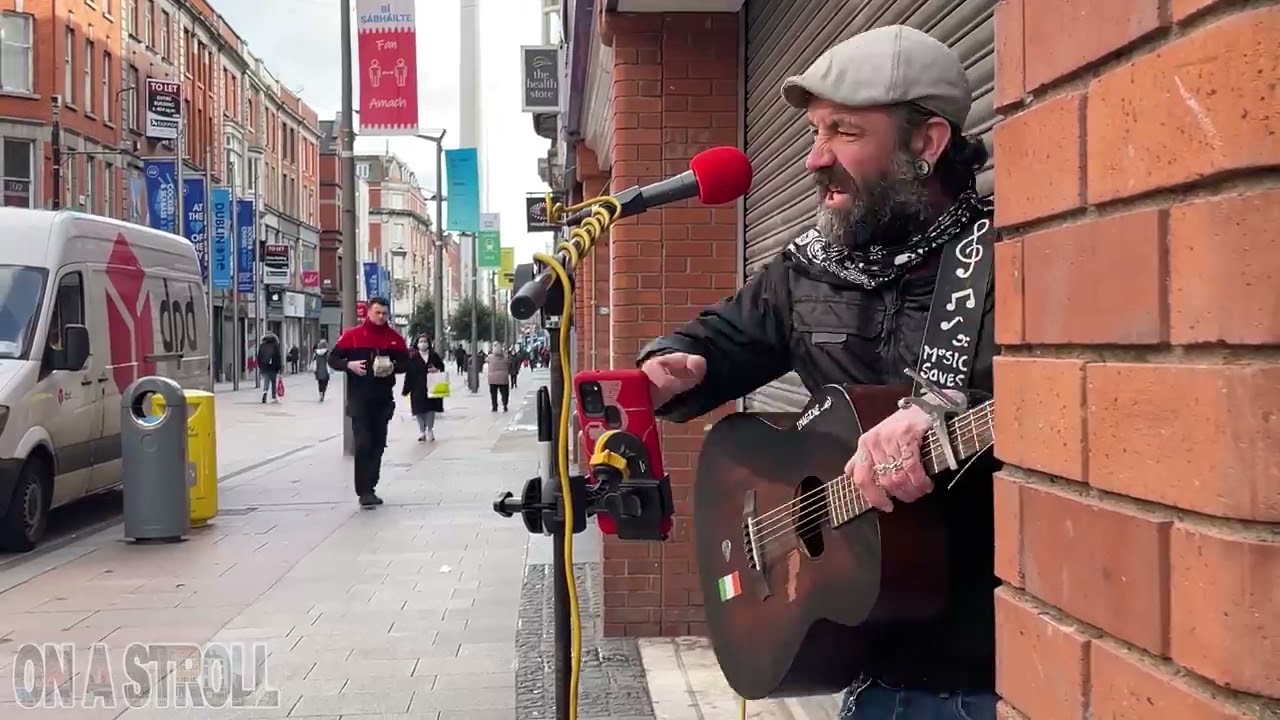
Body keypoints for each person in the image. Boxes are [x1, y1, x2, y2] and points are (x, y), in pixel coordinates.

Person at [637, 26, 997, 720]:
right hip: (870, 663)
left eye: (843, 132)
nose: (813, 159)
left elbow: (1085, 401)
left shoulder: (1013, 256)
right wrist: (678, 359)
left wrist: (960, 412)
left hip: (993, 666)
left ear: (926, 144)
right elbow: (724, 339)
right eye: (813, 131)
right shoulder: (806, 270)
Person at [328, 297, 410, 507]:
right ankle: (363, 490)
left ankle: (371, 486)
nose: (381, 317)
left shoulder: (394, 338)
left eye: (384, 313)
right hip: (359, 398)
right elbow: (333, 359)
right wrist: (349, 365)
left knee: (378, 444)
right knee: (363, 443)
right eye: (378, 313)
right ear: (368, 313)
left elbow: (405, 363)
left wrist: (392, 365)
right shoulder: (352, 336)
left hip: (382, 399)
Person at [402, 335, 446, 442]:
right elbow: (409, 374)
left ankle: (430, 430)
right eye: (421, 341)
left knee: (430, 409)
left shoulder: (434, 356)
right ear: (417, 344)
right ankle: (422, 431)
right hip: (417, 388)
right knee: (418, 410)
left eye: (425, 341)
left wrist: (436, 369)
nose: (423, 343)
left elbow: (442, 367)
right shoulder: (413, 357)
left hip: (432, 386)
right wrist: (406, 389)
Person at [256, 333, 283, 404]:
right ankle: (273, 397)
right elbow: (278, 357)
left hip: (264, 367)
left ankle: (265, 393)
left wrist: (260, 366)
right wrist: (279, 368)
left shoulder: (262, 346)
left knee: (266, 381)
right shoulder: (275, 346)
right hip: (273, 367)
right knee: (273, 382)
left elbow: (259, 357)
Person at [486, 346, 511, 412]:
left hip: (492, 379)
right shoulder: (505, 358)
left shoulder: (490, 357)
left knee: (493, 394)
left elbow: (486, 361)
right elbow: (509, 364)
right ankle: (505, 405)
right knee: (504, 393)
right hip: (503, 378)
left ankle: (494, 407)